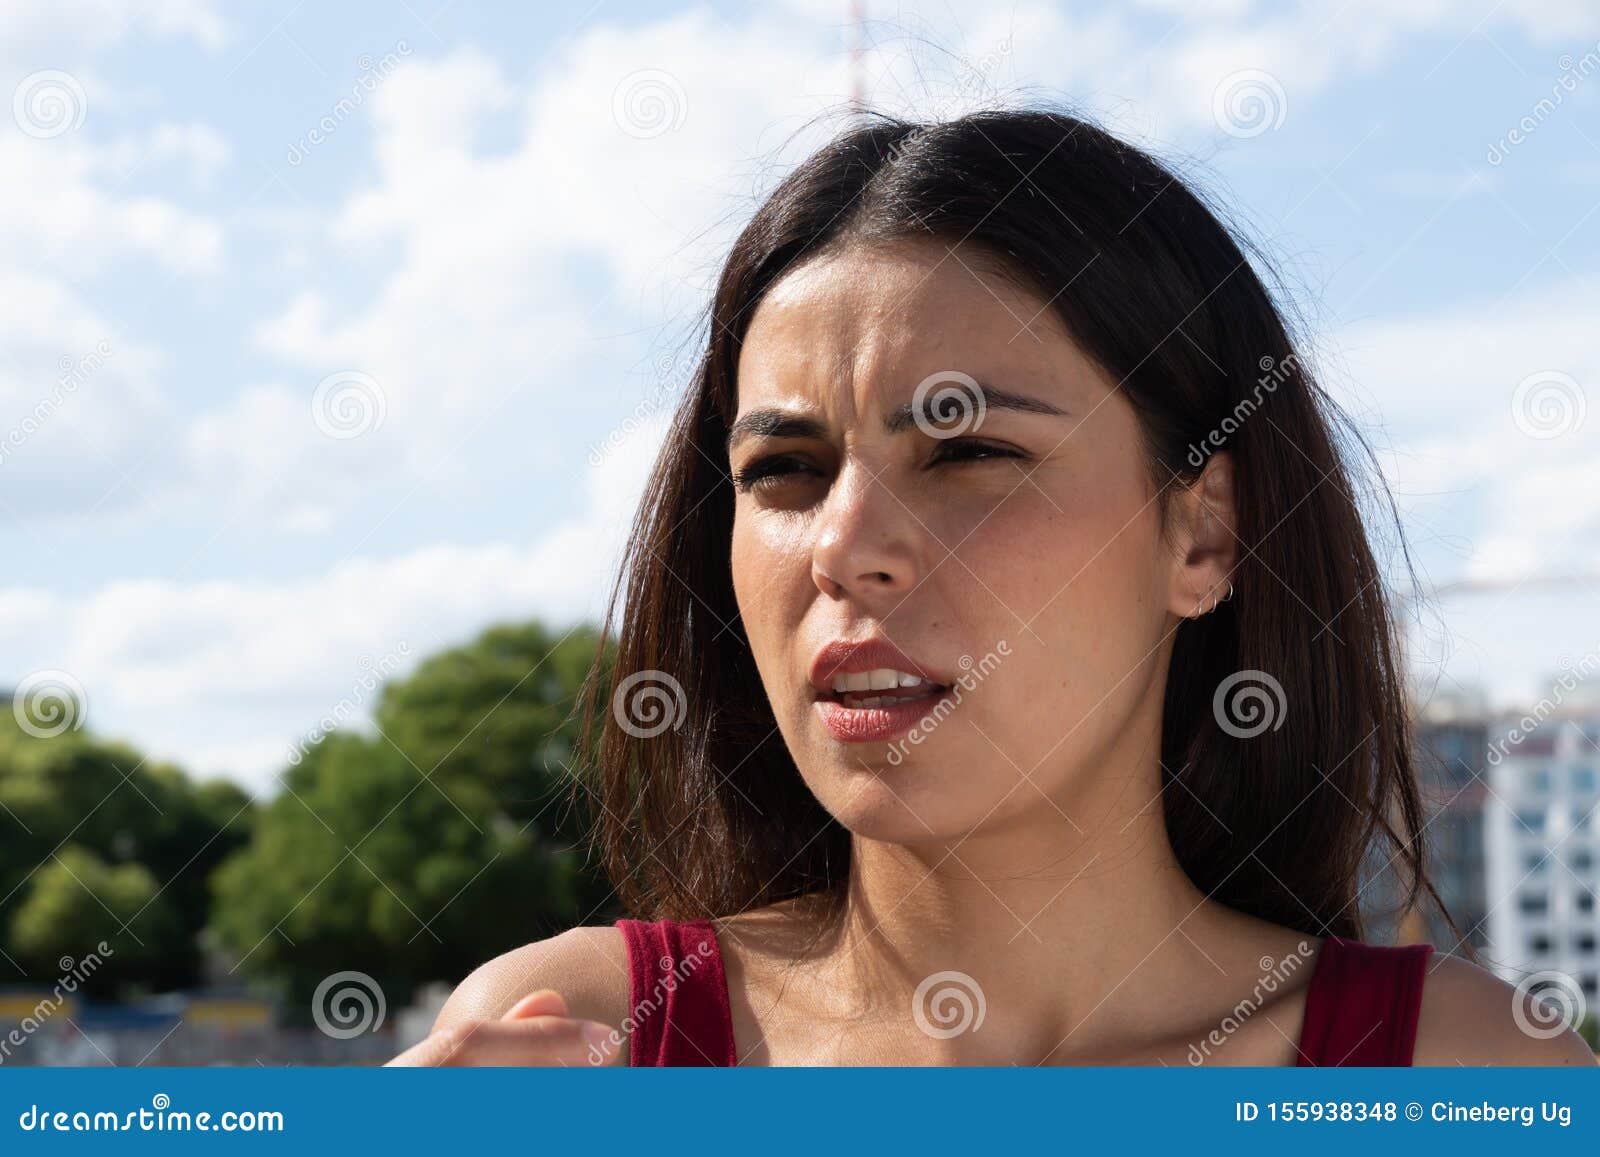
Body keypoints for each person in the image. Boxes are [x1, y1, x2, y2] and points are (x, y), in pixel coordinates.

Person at [389, 109, 1594, 1068]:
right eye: (785, 470)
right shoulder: (579, 1042)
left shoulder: (1461, 1068)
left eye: (966, 451)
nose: (844, 545)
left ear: (1203, 533)